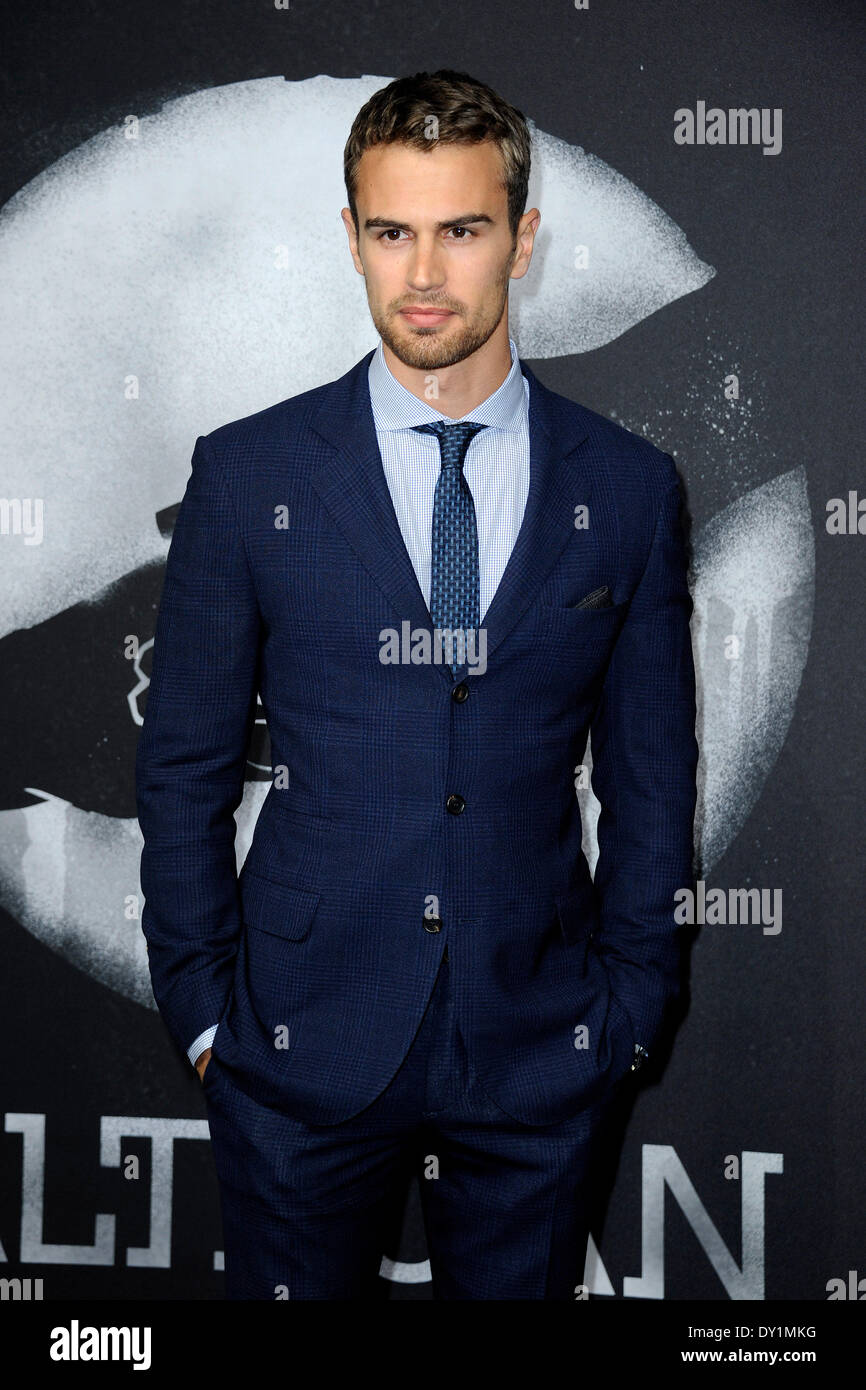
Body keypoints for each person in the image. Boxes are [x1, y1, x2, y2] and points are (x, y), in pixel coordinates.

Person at [135, 68, 699, 1300]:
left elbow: (653, 779)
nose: (425, 273)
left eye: (461, 229)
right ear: (350, 238)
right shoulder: (248, 475)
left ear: (522, 239)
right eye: (392, 231)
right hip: (294, 1046)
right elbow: (180, 768)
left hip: (540, 1048)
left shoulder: (629, 488)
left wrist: (627, 1010)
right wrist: (205, 1013)